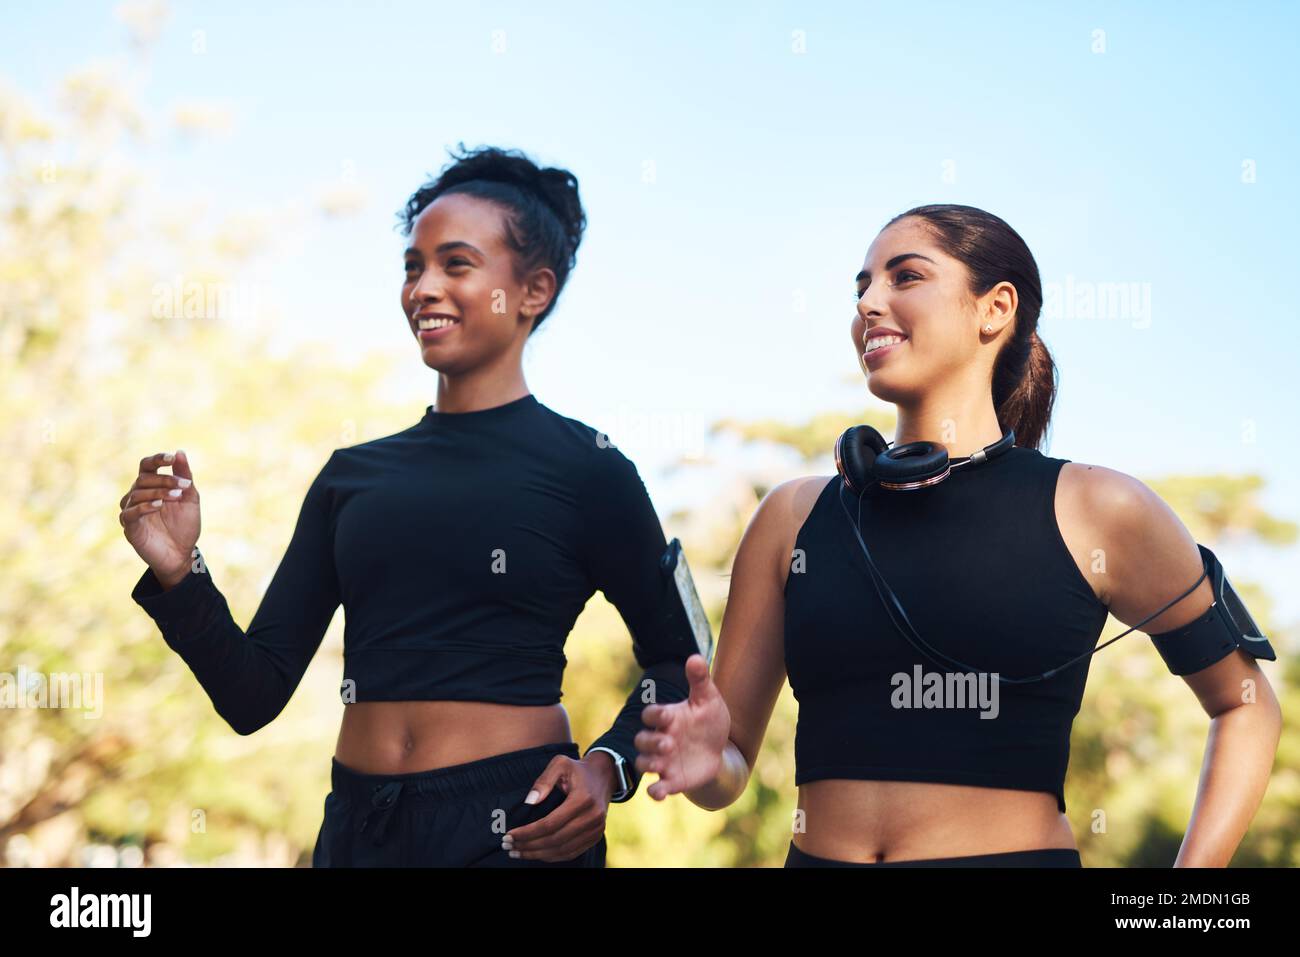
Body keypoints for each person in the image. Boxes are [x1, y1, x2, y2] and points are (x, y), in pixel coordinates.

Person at [634, 204, 1283, 867]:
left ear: (995, 308)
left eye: (905, 276)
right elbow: (730, 766)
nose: (869, 304)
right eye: (860, 288)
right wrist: (710, 760)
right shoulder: (792, 517)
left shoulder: (1098, 507)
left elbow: (1246, 704)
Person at [121, 144, 693, 867]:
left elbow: (678, 660)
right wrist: (181, 572)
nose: (423, 287)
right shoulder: (350, 477)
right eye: (412, 266)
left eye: (456, 264)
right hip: (358, 831)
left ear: (532, 290)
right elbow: (253, 693)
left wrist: (608, 767)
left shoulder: (591, 468)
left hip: (518, 827)